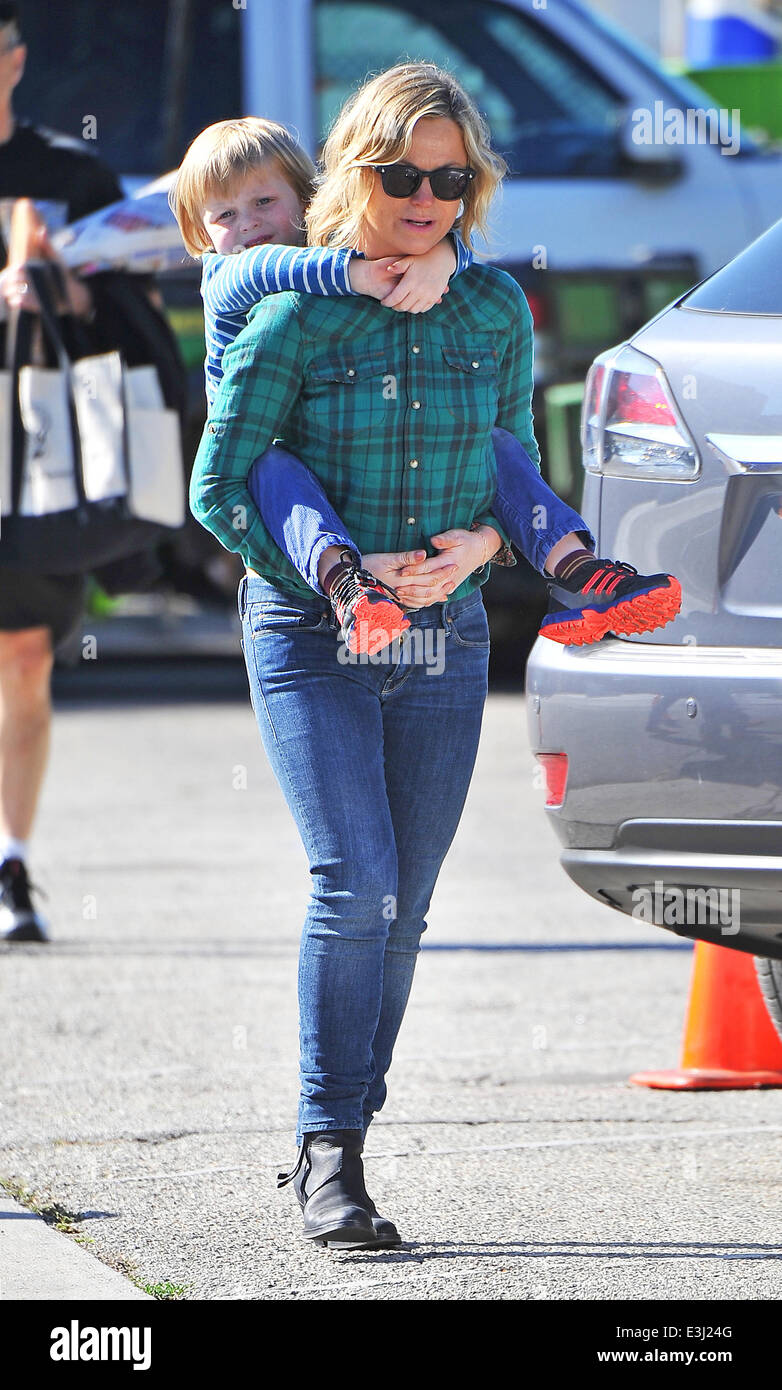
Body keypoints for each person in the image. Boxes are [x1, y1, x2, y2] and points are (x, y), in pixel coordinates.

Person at [189, 63, 678, 1250]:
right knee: (353, 880)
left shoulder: (491, 310)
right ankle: (324, 1150)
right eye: (401, 174)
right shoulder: (291, 310)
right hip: (311, 628)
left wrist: (477, 551)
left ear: (475, 186)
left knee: (402, 909)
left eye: (449, 178)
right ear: (354, 171)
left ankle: (349, 1132)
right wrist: (332, 573)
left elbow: (502, 453)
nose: (424, 196)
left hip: (444, 635)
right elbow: (221, 487)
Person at [174, 116, 681, 657]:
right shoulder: (227, 273)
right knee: (274, 464)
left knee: (497, 446)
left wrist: (444, 257)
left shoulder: (338, 258)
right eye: (225, 215)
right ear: (202, 234)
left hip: (410, 556)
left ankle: (579, 571)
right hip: (266, 465)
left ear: (306, 199)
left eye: (263, 203)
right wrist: (358, 275)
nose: (249, 224)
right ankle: (345, 583)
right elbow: (261, 269)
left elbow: (431, 235)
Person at [0, 1, 185, 942]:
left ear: (16, 60)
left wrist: (68, 288)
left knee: (26, 655)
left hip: (43, 455)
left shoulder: (70, 175)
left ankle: (11, 863)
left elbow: (133, 312)